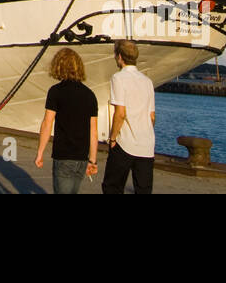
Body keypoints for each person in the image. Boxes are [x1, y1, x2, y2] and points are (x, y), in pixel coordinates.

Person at [35, 47, 99, 193]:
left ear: (58, 66)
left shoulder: (55, 92)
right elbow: (93, 131)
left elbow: (47, 123)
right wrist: (93, 160)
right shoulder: (90, 95)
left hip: (63, 156)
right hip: (82, 158)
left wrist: (40, 152)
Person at [102, 40, 156, 194]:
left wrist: (112, 138)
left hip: (124, 143)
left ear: (119, 57)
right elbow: (152, 116)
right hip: (146, 144)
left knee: (112, 187)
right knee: (143, 190)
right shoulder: (147, 81)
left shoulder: (118, 78)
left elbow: (120, 113)